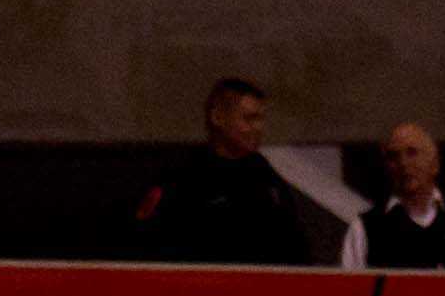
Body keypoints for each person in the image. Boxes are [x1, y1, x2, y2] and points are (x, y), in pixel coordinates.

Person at [134, 73, 317, 266]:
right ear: (218, 117)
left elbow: (295, 247)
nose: (258, 128)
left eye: (260, 119)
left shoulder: (265, 176)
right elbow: (149, 246)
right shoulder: (183, 177)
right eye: (249, 118)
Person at [344, 119, 445, 270]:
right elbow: (347, 294)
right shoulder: (363, 229)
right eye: (393, 156)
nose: (403, 163)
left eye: (412, 153)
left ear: (434, 164)